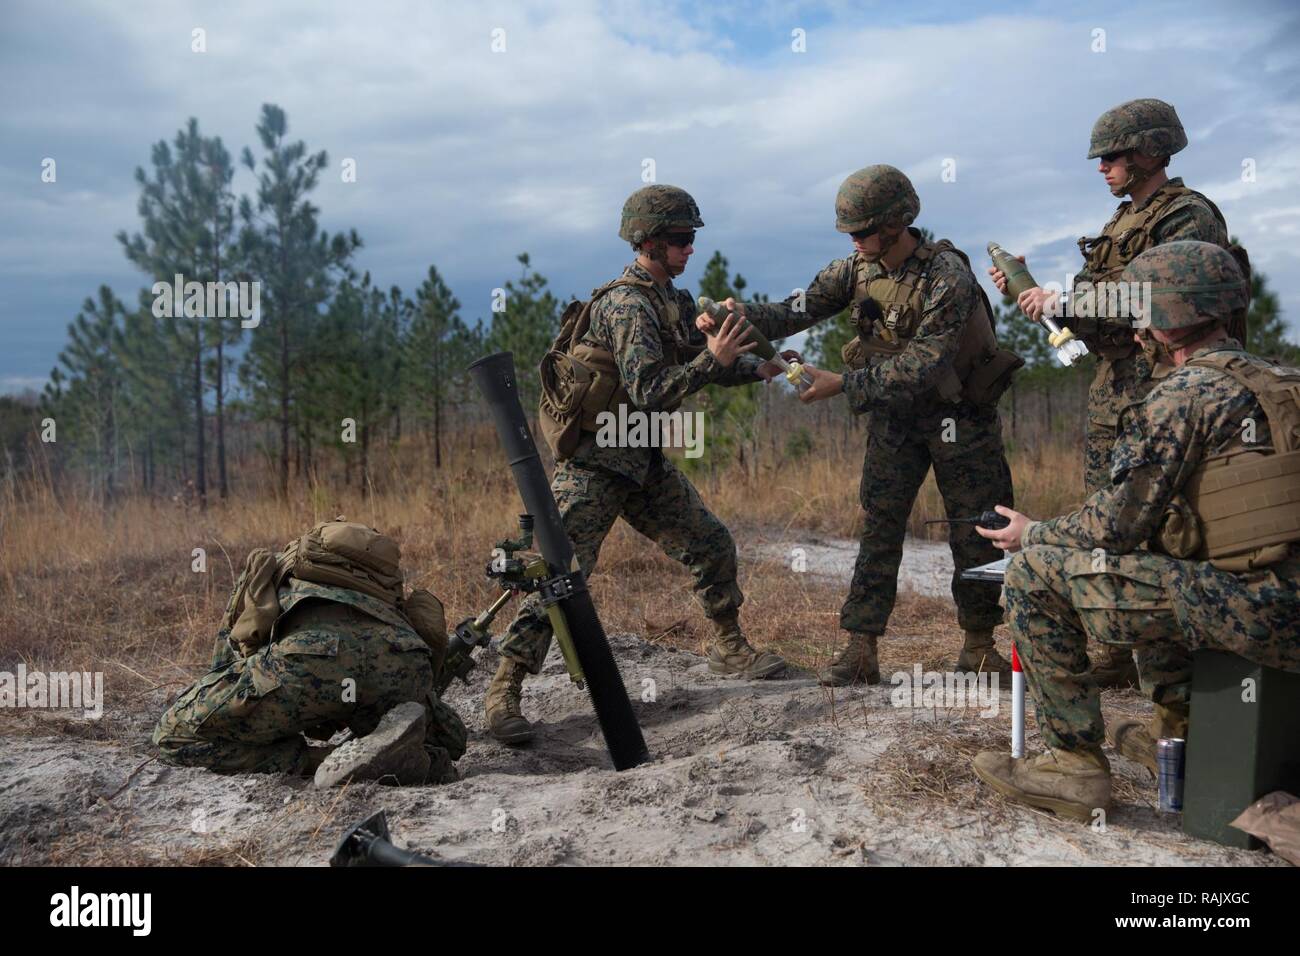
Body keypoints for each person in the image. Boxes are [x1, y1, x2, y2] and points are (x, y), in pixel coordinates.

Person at [970, 241, 1299, 820]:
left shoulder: (1182, 395)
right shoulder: (1282, 381)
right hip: (1277, 597)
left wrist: (1034, 533)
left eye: (1141, 312)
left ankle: (1073, 770)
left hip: (1265, 611)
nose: (1136, 327)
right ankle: (1185, 740)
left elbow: (1112, 527)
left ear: (1163, 318)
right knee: (1166, 558)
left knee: (1033, 575)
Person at [485, 184, 790, 745]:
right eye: (679, 239)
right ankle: (503, 691)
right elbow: (652, 390)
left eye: (692, 238)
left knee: (712, 543)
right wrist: (712, 360)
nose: (689, 248)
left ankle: (729, 648)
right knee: (558, 579)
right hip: (595, 465)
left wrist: (753, 370)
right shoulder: (627, 305)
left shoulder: (669, 299)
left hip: (639, 457)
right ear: (647, 241)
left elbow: (691, 366)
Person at [712, 165, 1021, 687]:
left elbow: (924, 362)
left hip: (959, 419)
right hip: (895, 420)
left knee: (978, 529)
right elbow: (797, 310)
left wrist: (844, 385)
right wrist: (738, 314)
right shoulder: (856, 270)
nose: (853, 242)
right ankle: (860, 649)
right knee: (879, 528)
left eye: (861, 231)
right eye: (848, 233)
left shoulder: (948, 275)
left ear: (897, 224)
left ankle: (978, 646)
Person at [989, 98, 1238, 689]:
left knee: (1162, 526)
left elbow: (1157, 298)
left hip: (1167, 391)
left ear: (1150, 150)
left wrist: (1064, 301)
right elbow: (1101, 315)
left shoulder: (1189, 217)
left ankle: (1173, 675)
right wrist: (1036, 301)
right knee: (1107, 523)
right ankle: (1114, 651)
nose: (1102, 167)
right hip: (1116, 394)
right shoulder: (1122, 222)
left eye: (1113, 156)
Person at [154, 522, 467, 786]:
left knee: (173, 735)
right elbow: (457, 740)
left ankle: (325, 761)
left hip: (310, 660)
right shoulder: (382, 584)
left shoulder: (274, 566)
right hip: (399, 658)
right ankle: (421, 757)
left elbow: (232, 653)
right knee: (441, 738)